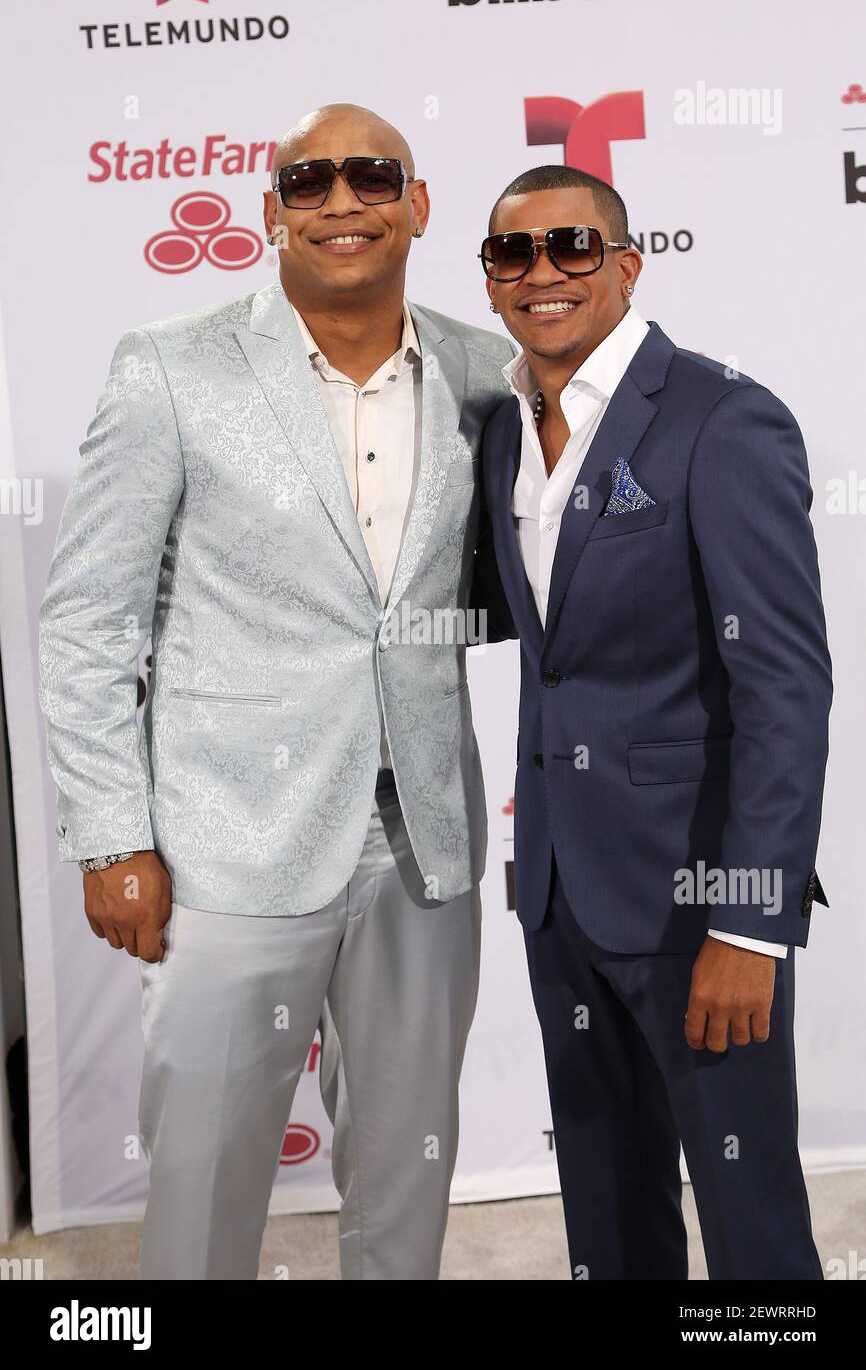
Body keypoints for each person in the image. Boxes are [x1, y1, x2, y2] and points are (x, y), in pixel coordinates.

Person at [38, 103, 513, 1280]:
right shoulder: (171, 365)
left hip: (423, 840)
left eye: (369, 176)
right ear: (271, 212)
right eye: (309, 179)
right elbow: (88, 615)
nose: (340, 199)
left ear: (416, 203)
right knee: (202, 1174)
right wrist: (110, 836)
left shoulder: (483, 371)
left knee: (408, 1167)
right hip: (226, 844)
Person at [474, 163, 832, 1279]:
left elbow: (784, 684)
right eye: (512, 254)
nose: (543, 273)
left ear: (625, 264)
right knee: (608, 1218)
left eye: (571, 246)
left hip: (697, 910)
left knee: (749, 1225)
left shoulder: (722, 418)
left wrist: (751, 923)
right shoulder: (500, 430)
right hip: (558, 897)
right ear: (489, 281)